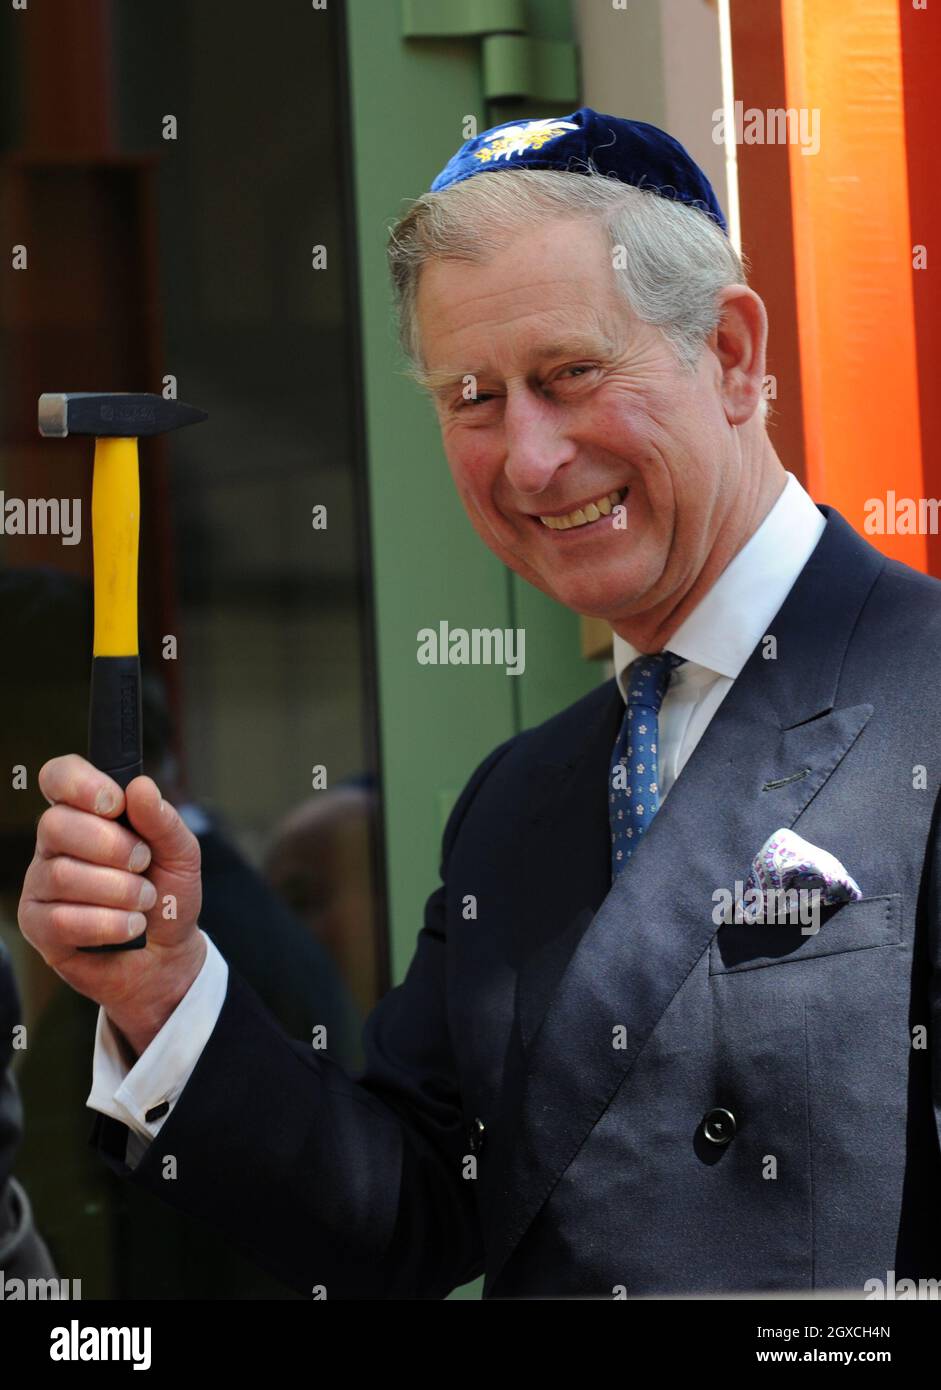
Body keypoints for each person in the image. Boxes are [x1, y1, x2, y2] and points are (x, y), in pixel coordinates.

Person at [16, 109, 941, 1299]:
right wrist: (163, 989)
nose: (530, 459)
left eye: (569, 375)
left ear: (729, 353)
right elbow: (403, 1212)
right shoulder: (519, 799)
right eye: (472, 398)